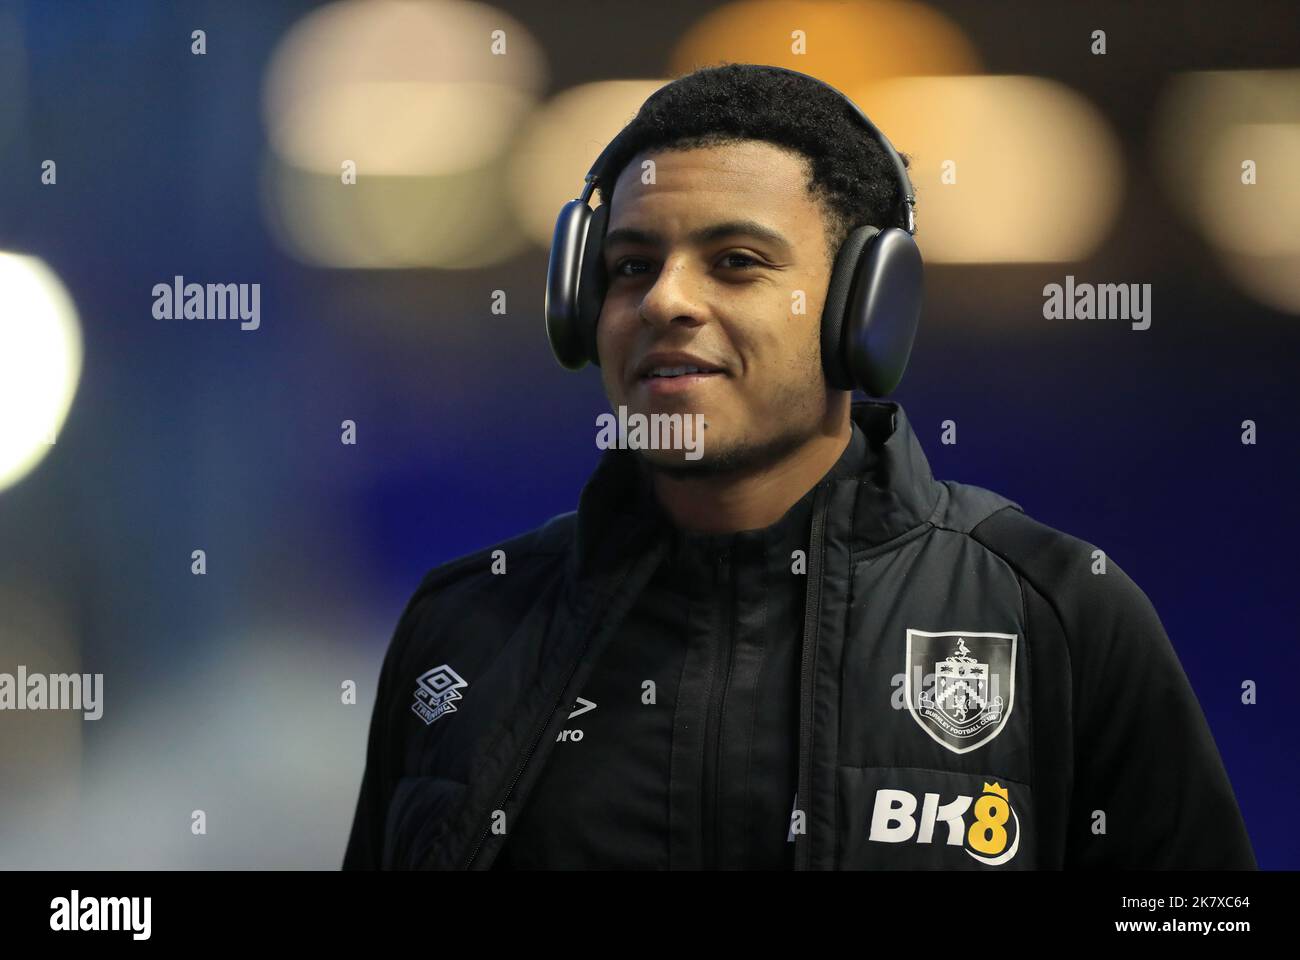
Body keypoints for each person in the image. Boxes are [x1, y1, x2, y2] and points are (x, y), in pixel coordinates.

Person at [342, 63, 1255, 870]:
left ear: (866, 308)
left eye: (735, 262)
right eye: (629, 266)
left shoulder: (1058, 613)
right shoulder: (465, 625)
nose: (665, 300)